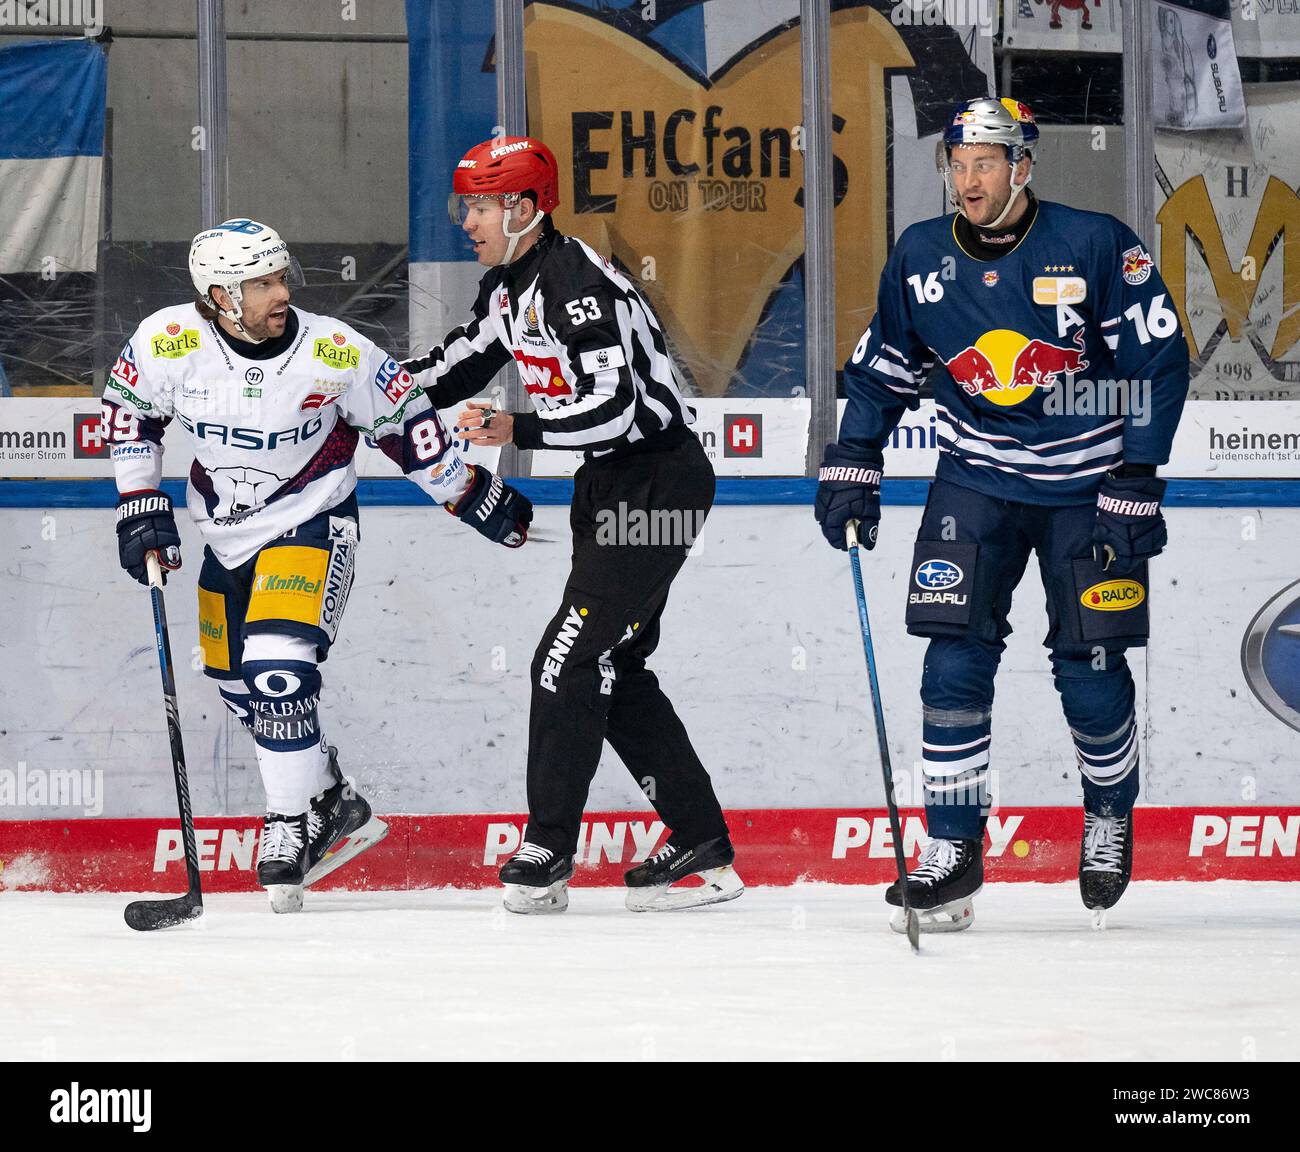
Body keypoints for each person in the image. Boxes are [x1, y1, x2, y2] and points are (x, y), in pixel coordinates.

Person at [815, 98, 1189, 931]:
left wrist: (1138, 472)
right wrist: (854, 457)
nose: (969, 178)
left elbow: (1159, 362)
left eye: (986, 162)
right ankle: (952, 848)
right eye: (959, 162)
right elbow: (882, 369)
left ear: (1022, 167)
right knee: (952, 667)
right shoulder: (919, 255)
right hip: (973, 485)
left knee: (1089, 676)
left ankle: (1107, 810)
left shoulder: (1095, 243)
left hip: (1086, 493)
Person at [103, 218, 532, 912]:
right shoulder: (166, 342)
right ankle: (332, 799)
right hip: (224, 535)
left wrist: (468, 493)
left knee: (278, 669)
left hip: (313, 522)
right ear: (219, 295)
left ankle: (288, 822)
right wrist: (139, 501)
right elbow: (131, 417)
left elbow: (407, 428)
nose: (282, 291)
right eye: (262, 283)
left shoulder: (334, 351)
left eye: (281, 277)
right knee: (235, 682)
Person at [403, 136, 740, 914]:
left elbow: (617, 408)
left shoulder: (571, 282)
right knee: (612, 669)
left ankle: (548, 846)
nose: (467, 220)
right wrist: (357, 383)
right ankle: (700, 841)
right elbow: (450, 368)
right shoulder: (509, 287)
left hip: (658, 483)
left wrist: (515, 431)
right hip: (611, 483)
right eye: (467, 205)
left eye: (480, 206)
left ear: (524, 208)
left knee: (564, 660)